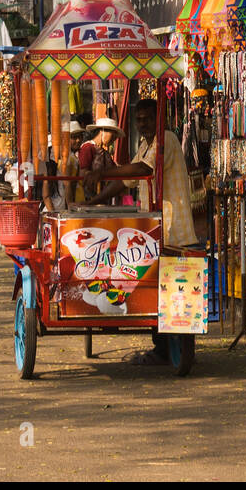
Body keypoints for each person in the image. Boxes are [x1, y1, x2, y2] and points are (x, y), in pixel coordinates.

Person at [85, 99, 199, 365]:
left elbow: (142, 169)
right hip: (155, 230)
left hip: (175, 229)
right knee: (154, 291)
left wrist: (105, 173)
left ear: (158, 118)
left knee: (175, 291)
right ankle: (161, 347)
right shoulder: (145, 145)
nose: (142, 124)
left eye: (147, 119)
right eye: (139, 120)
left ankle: (169, 349)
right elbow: (126, 180)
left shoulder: (166, 140)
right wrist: (93, 202)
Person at [78, 116, 123, 204]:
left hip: (104, 197)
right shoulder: (88, 148)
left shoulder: (105, 153)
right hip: (89, 198)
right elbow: (83, 172)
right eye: (112, 134)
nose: (114, 138)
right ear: (102, 131)